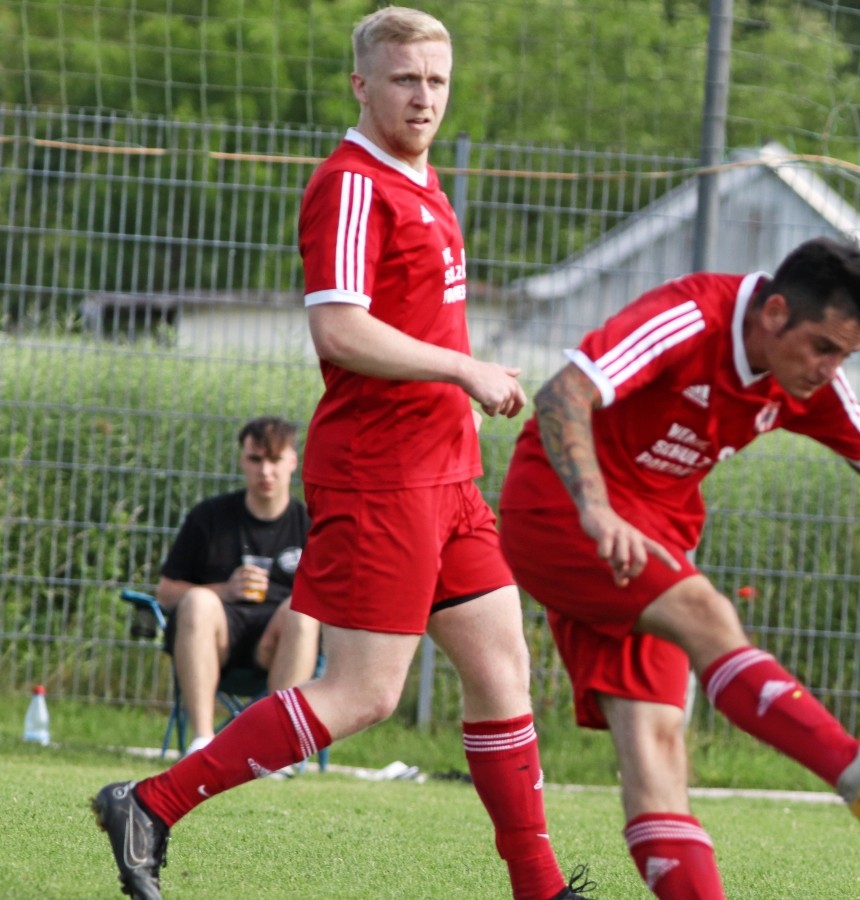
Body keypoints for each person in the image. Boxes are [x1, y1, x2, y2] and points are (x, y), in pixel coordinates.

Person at [93, 9, 583, 900]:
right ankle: (150, 804)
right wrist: (465, 369)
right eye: (405, 79)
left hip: (447, 477)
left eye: (436, 79)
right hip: (382, 474)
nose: (424, 96)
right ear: (363, 84)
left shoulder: (424, 182)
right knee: (363, 693)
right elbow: (339, 328)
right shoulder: (351, 183)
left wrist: (457, 400)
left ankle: (541, 889)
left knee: (502, 663)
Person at [497, 236, 860, 898]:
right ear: (774, 313)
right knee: (707, 615)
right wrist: (595, 510)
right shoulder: (690, 318)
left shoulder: (810, 381)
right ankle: (858, 772)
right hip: (561, 505)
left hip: (653, 536)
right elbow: (562, 393)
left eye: (847, 354)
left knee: (658, 759)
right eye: (823, 347)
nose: (830, 369)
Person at [155, 415, 318, 757]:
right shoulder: (209, 517)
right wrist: (224, 591)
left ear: (292, 461)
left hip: (277, 643)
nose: (265, 472)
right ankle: (202, 742)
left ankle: (275, 749)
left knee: (301, 611)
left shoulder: (312, 525)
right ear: (242, 460)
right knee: (198, 602)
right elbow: (166, 593)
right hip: (216, 640)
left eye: (274, 460)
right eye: (256, 460)